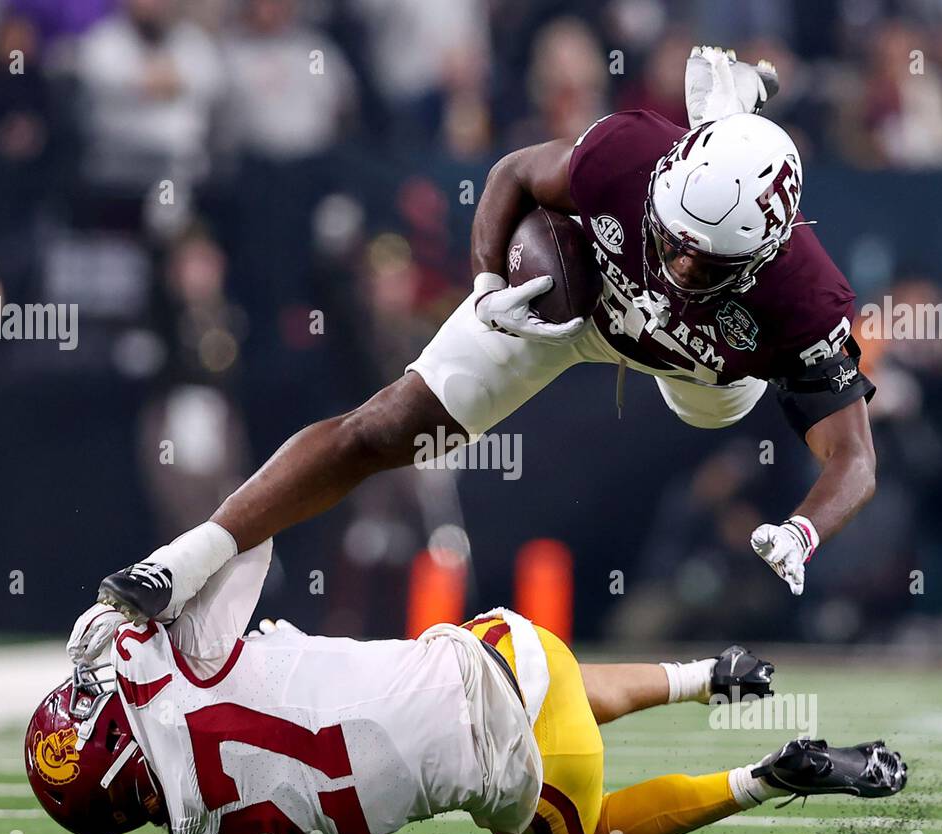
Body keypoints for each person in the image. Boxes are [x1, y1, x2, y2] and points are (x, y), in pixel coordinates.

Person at [84, 48, 877, 634]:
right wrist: (488, 281)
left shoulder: (806, 298)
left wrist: (803, 531)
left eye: (702, 259)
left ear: (767, 252)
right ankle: (183, 560)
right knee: (381, 428)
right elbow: (511, 174)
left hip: (700, 374)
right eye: (671, 235)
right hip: (571, 307)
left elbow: (854, 459)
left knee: (713, 413)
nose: (674, 260)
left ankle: (732, 106)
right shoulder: (632, 155)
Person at [30, 541, 906, 834]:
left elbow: (168, 734)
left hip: (534, 760)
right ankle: (703, 677)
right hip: (502, 641)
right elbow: (245, 526)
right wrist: (147, 590)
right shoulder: (176, 659)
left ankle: (762, 774)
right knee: (534, 714)